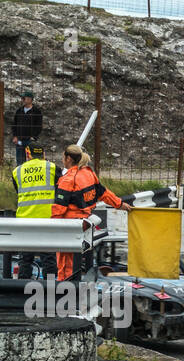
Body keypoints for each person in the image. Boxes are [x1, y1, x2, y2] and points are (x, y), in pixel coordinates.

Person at [51, 144, 132, 281]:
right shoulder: (89, 174)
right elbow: (104, 193)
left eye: (63, 158)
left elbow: (59, 208)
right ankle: (76, 286)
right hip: (86, 223)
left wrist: (52, 228)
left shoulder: (67, 180)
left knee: (64, 261)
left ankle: (65, 287)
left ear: (68, 158)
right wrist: (120, 204)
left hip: (69, 224)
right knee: (80, 258)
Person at [12, 144, 58, 278]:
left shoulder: (17, 171)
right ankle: (50, 289)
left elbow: (18, 191)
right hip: (47, 219)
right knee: (48, 257)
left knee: (25, 258)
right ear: (43, 154)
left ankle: (22, 290)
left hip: (25, 220)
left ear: (28, 154)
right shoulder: (52, 168)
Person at [11, 91, 42, 164]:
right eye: (22, 98)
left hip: (30, 140)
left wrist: (33, 137)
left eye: (24, 98)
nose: (23, 100)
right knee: (20, 161)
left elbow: (39, 126)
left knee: (32, 161)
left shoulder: (36, 111)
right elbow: (14, 124)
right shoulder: (19, 111)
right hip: (20, 139)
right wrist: (15, 136)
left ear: (30, 99)